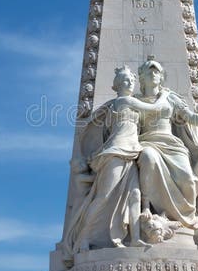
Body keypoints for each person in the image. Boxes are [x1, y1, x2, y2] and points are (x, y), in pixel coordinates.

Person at [63, 66, 168, 257]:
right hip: (117, 152)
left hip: (132, 153)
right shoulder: (123, 101)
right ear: (117, 85)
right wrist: (164, 95)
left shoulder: (127, 104)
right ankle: (83, 238)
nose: (130, 83)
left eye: (132, 80)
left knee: (135, 195)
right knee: (103, 197)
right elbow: (155, 108)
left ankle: (135, 238)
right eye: (125, 80)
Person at [136, 60, 198, 252]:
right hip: (148, 142)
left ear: (161, 77)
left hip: (172, 145)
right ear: (141, 77)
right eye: (149, 71)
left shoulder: (169, 97)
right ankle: (145, 208)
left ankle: (189, 221)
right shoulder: (135, 100)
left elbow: (189, 117)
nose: (153, 74)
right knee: (148, 157)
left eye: (156, 72)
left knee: (188, 180)